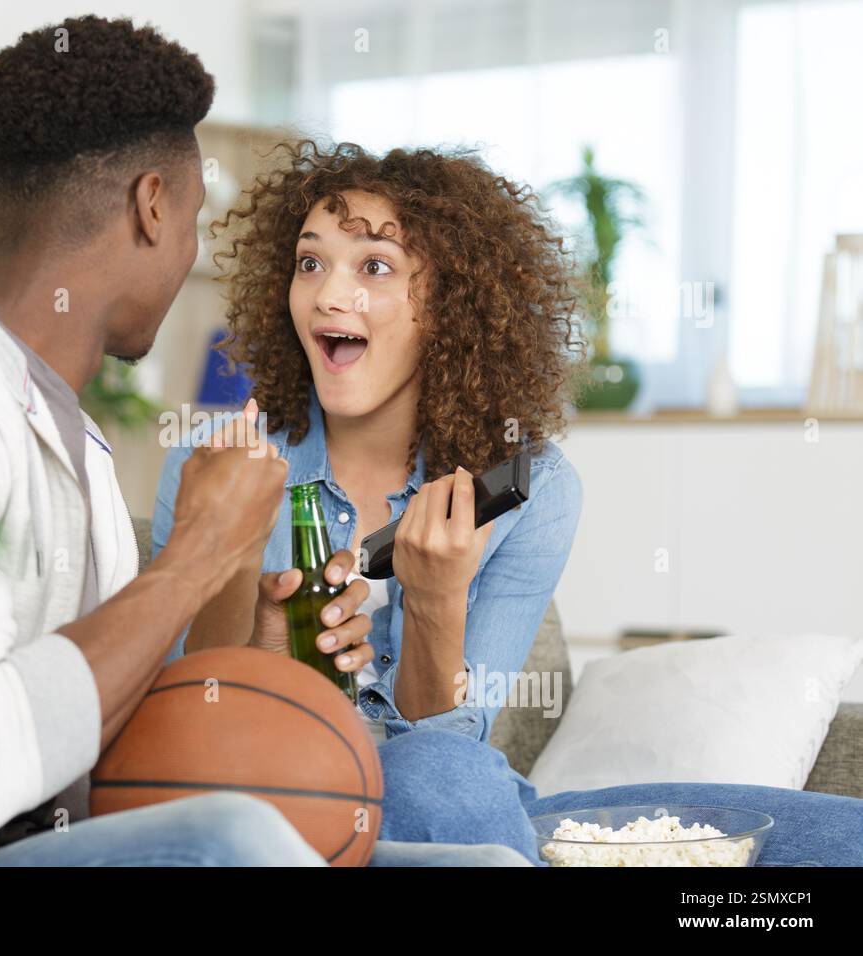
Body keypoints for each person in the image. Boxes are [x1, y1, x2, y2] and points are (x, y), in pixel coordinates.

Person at [0, 17, 527, 868]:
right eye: (190, 220)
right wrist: (197, 554)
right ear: (153, 206)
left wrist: (259, 645)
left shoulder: (68, 441)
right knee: (237, 839)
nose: (190, 253)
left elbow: (116, 759)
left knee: (480, 864)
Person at [152, 139, 863, 866]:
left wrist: (436, 604)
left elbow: (454, 745)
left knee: (840, 835)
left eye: (374, 266)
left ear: (451, 305)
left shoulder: (537, 492)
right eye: (311, 263)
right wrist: (263, 653)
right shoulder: (214, 461)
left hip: (468, 813)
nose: (331, 295)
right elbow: (175, 745)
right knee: (443, 779)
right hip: (297, 804)